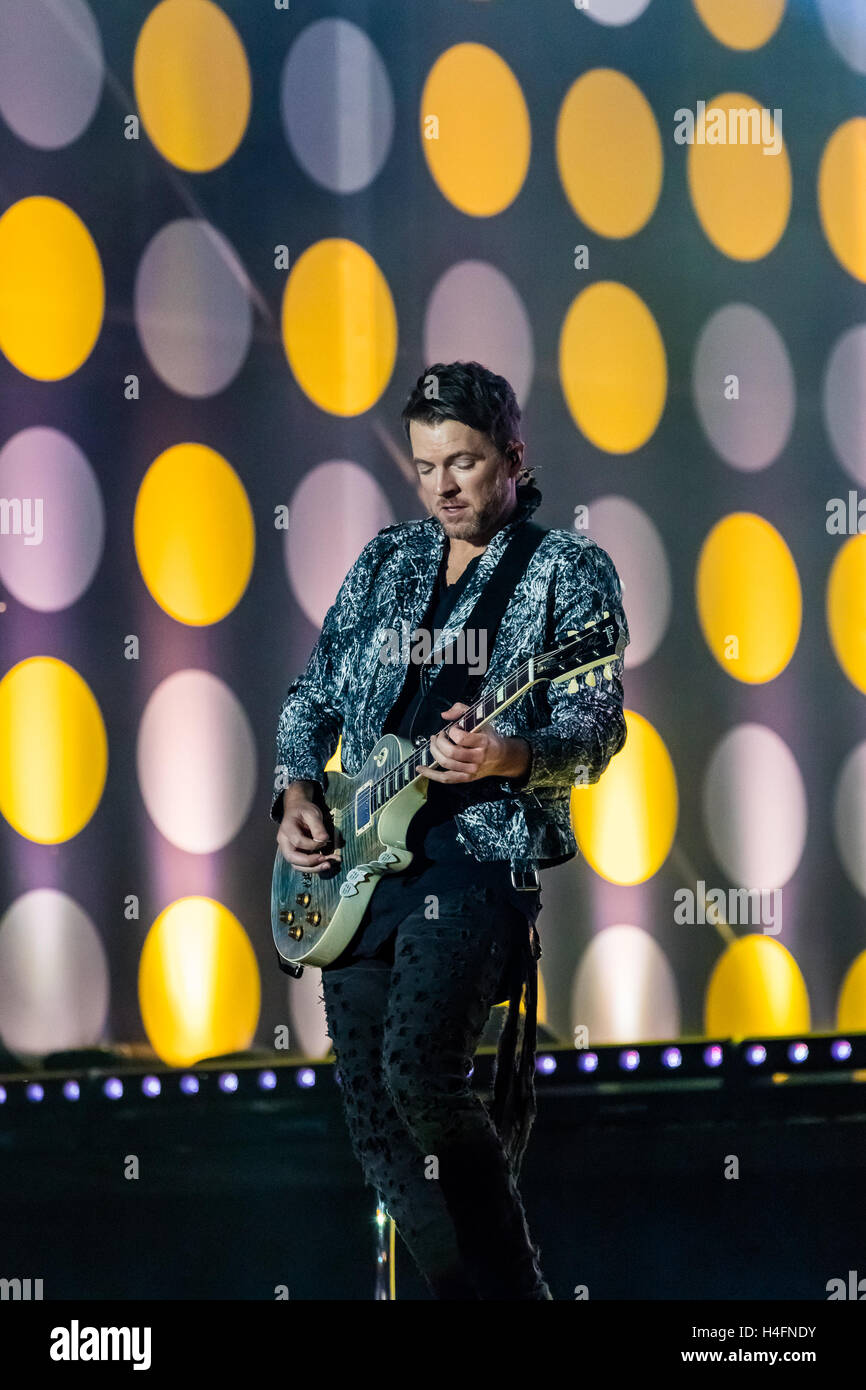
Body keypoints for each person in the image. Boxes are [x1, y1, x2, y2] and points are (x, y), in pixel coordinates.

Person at [271, 360, 629, 1299]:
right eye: (427, 466)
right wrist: (297, 791)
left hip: (475, 865)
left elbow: (598, 730)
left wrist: (508, 754)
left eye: (464, 463)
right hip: (358, 870)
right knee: (375, 1121)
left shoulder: (566, 571)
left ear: (514, 457)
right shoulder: (386, 563)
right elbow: (311, 696)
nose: (443, 486)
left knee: (419, 1073)